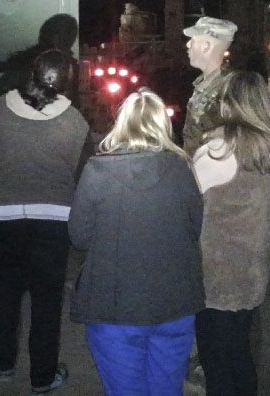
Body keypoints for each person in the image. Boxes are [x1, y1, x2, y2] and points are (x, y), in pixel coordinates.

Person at [68, 88, 205, 396]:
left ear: (121, 123)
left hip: (115, 305)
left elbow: (79, 236)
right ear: (163, 125)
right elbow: (194, 228)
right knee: (167, 388)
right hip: (174, 302)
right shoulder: (182, 168)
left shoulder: (98, 170)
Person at [0, 48, 92, 394]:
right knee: (46, 296)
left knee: (6, 286)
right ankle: (42, 377)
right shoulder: (75, 121)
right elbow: (84, 174)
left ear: (32, 74)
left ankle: (4, 364)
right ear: (68, 81)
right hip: (53, 217)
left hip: (4, 213)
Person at [192, 71, 270, 396]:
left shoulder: (217, 151)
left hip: (216, 272)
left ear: (229, 103)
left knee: (215, 358)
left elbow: (187, 203)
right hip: (253, 266)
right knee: (240, 351)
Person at [182, 16, 239, 154]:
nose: (188, 45)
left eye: (193, 40)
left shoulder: (230, 88)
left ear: (206, 46)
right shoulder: (204, 83)